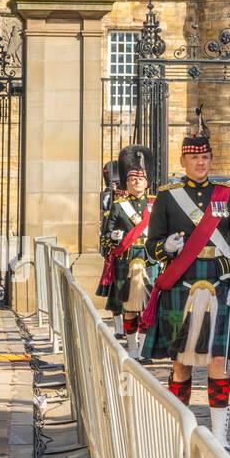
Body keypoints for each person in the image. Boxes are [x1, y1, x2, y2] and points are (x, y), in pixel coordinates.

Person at [140, 111, 230, 453]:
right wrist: (166, 248)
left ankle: (220, 437)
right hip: (182, 284)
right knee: (182, 362)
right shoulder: (168, 196)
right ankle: (181, 432)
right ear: (183, 160)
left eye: (205, 157)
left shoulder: (226, 195)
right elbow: (152, 243)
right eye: (194, 158)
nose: (200, 163)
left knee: (219, 360)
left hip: (219, 285)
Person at [96, 145, 157, 361]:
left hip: (151, 258)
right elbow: (104, 237)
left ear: (147, 182)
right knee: (130, 308)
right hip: (127, 257)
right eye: (131, 180)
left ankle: (144, 349)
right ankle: (133, 348)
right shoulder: (119, 206)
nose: (136, 182)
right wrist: (114, 238)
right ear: (127, 183)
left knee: (150, 307)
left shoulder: (155, 204)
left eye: (140, 179)